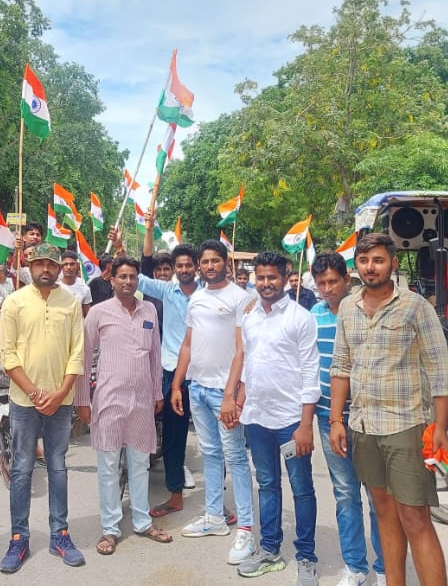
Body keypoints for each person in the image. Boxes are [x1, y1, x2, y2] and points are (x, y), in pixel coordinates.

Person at [330, 233, 448, 586]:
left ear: (392, 264)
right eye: (365, 261)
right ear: (357, 266)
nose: (371, 267)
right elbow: (341, 367)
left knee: (415, 518)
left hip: (406, 426)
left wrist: (441, 429)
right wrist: (337, 420)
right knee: (384, 511)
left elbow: (440, 371)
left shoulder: (415, 306)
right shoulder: (349, 308)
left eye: (378, 260)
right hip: (363, 427)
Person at [0, 242, 86, 573]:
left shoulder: (71, 302)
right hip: (24, 402)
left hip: (60, 402)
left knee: (58, 467)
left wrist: (61, 391)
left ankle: (59, 534)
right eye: (40, 264)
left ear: (60, 267)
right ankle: (18, 539)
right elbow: (7, 355)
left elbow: (77, 351)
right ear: (29, 266)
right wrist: (35, 393)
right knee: (21, 469)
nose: (46, 269)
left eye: (52, 263)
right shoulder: (14, 302)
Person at [74, 256, 172, 555]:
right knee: (108, 467)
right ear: (112, 280)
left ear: (138, 280)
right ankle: (111, 529)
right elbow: (83, 356)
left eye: (132, 277)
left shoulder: (150, 312)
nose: (128, 282)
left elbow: (155, 355)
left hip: (142, 401)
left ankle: (143, 522)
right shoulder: (99, 314)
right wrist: (82, 399)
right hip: (108, 400)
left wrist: (157, 393)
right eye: (122, 277)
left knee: (140, 463)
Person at [234, 252, 319, 584]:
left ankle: (307, 556)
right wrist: (239, 400)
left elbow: (311, 374)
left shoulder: (300, 318)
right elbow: (249, 365)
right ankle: (270, 550)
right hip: (257, 418)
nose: (266, 284)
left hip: (289, 422)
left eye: (272, 277)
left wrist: (304, 425)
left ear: (285, 277)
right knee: (267, 485)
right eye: (261, 278)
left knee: (301, 489)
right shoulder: (252, 316)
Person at [171, 239, 255, 565]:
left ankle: (245, 527)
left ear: (225, 262)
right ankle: (214, 517)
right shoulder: (197, 299)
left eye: (214, 261)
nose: (209, 266)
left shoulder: (240, 299)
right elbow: (188, 345)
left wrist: (233, 395)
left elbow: (242, 350)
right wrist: (178, 384)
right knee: (210, 455)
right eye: (204, 262)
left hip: (225, 393)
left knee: (235, 457)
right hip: (198, 389)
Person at [310, 252, 385, 586]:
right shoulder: (313, 316)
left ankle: (385, 568)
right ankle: (355, 566)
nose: (327, 288)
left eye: (333, 281)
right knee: (345, 495)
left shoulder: (365, 310)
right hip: (329, 418)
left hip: (368, 419)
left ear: (346, 279)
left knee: (378, 496)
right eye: (321, 283)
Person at [132, 219, 201, 517]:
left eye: (189, 265)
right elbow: (142, 268)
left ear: (196, 266)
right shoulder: (166, 291)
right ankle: (175, 495)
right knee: (173, 437)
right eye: (179, 266)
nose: (184, 270)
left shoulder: (210, 295)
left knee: (214, 440)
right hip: (172, 373)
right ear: (174, 268)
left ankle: (216, 503)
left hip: (204, 373)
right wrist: (146, 231)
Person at [58, 248, 93, 317]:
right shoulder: (54, 287)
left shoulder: (85, 289)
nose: (68, 267)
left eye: (72, 264)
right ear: (61, 266)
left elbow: (87, 314)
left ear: (77, 265)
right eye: (65, 264)